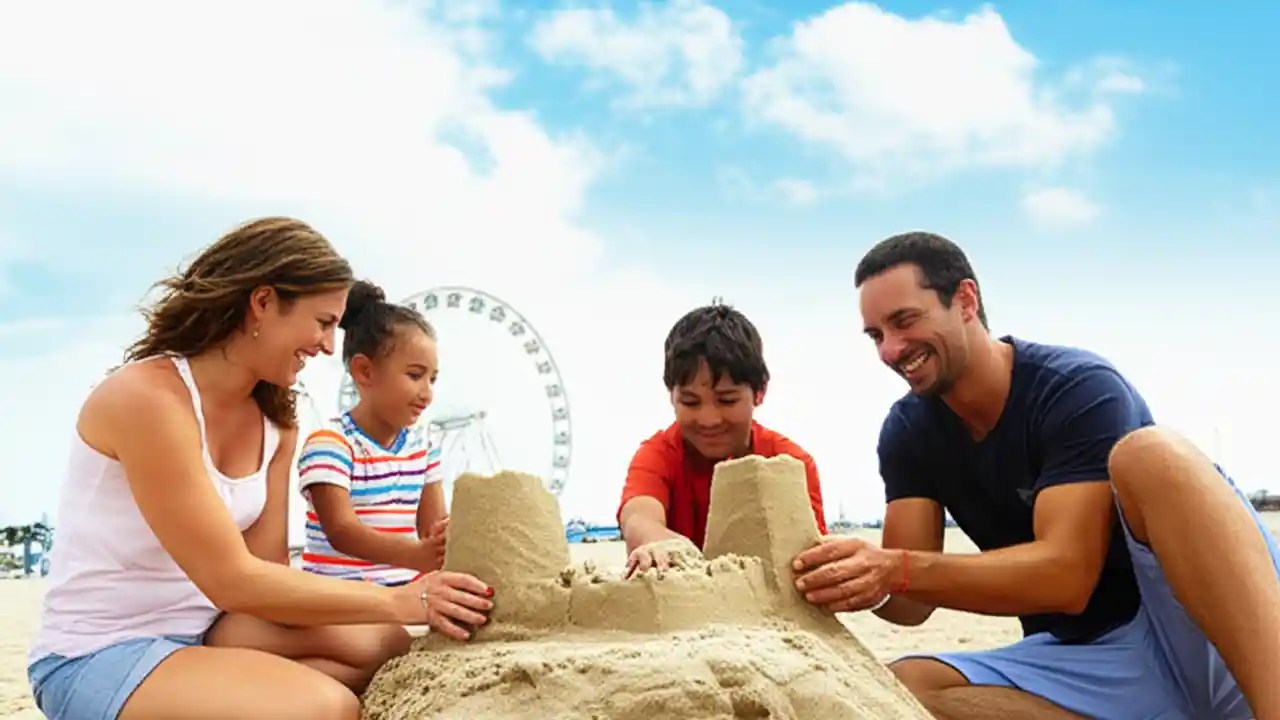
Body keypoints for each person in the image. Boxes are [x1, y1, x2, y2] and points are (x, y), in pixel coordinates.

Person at [791, 231, 1280, 720]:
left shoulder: (1076, 387)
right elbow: (908, 604)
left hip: (1216, 630)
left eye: (904, 321)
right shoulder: (908, 431)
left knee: (1150, 454)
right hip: (1094, 658)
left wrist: (893, 568)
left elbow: (1068, 577)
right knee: (902, 689)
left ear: (965, 300)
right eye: (876, 335)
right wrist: (838, 573)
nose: (890, 350)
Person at [27, 218, 495, 720]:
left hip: (209, 628)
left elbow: (267, 577)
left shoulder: (278, 422)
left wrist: (397, 613)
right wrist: (403, 599)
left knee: (387, 646)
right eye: (321, 323)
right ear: (264, 302)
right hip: (103, 650)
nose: (326, 346)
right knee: (327, 707)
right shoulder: (147, 399)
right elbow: (232, 579)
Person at [618, 301, 829, 576]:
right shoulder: (659, 453)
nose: (709, 419)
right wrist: (657, 542)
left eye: (727, 400)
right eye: (691, 402)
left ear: (760, 392)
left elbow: (810, 557)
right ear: (671, 394)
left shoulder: (789, 463)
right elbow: (638, 517)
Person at [299, 280, 450, 585]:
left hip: (406, 590)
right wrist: (414, 556)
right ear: (364, 371)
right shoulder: (331, 444)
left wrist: (446, 536)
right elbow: (342, 532)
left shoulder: (423, 447)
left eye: (432, 379)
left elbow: (433, 528)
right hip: (340, 594)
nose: (427, 393)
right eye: (415, 375)